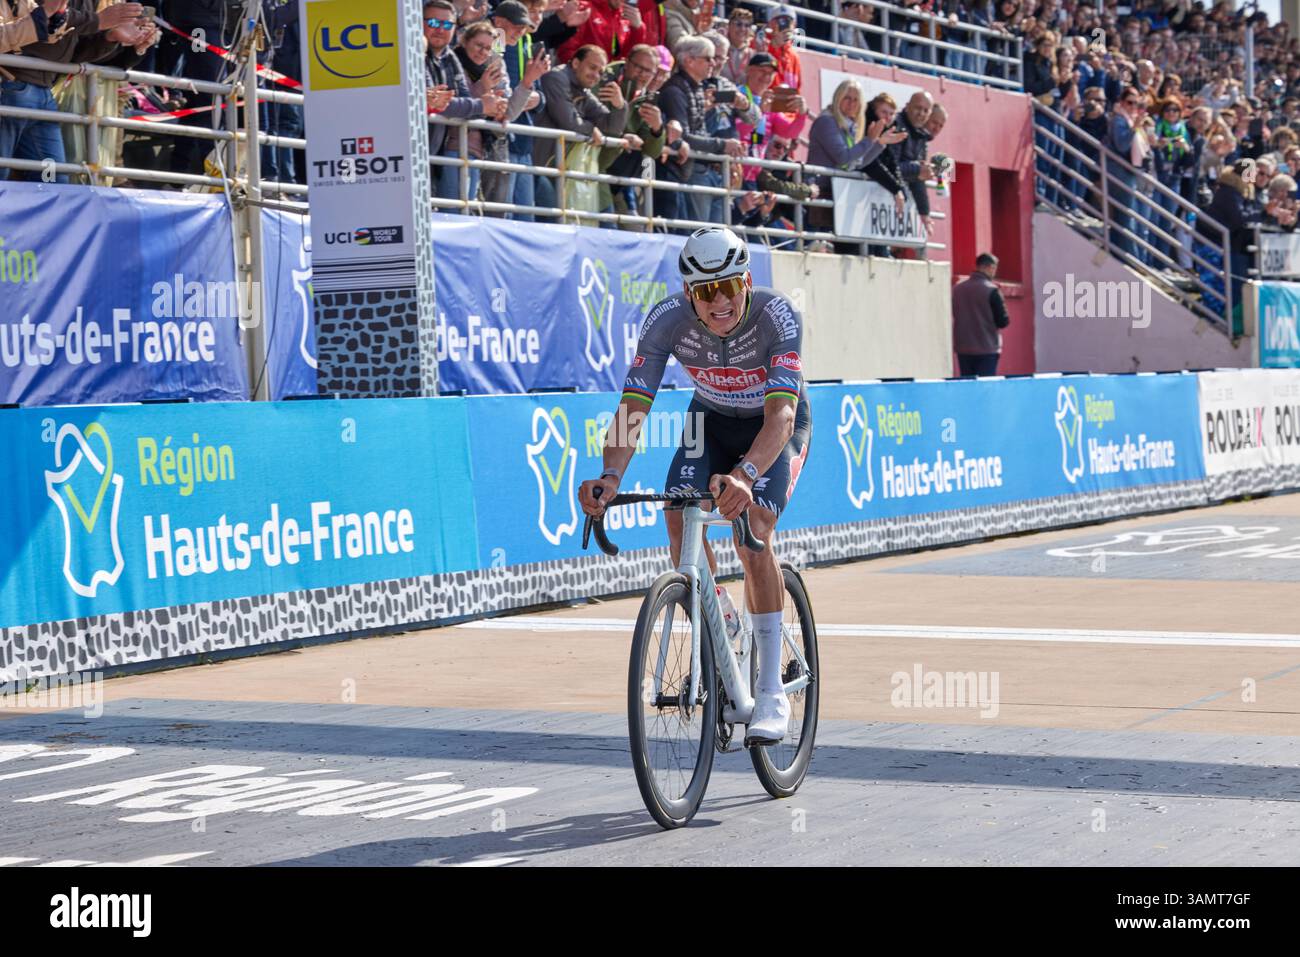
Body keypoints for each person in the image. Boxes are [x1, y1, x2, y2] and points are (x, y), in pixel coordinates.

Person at [578, 226, 812, 747]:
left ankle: (771, 690)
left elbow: (781, 417)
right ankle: (723, 615)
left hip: (773, 427)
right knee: (679, 515)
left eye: (729, 286)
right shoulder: (666, 321)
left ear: (746, 280)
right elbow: (632, 407)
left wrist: (747, 476)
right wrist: (611, 475)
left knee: (751, 533)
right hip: (709, 418)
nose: (719, 301)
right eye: (706, 292)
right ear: (689, 293)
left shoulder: (777, 315)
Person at [0, 0, 144, 183]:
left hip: (40, 93)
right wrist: (96, 21)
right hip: (11, 88)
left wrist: (111, 37)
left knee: (52, 181)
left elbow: (64, 50)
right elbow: (34, 42)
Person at [425, 0, 506, 205]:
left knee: (460, 212)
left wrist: (491, 106)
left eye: (447, 25)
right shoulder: (413, 54)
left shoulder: (448, 57)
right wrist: (482, 104)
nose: (440, 30)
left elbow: (461, 101)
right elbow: (442, 104)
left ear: (454, 29)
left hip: (437, 149)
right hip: (415, 151)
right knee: (450, 213)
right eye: (433, 22)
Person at [952, 253, 1010, 377]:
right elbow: (1003, 321)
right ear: (989, 267)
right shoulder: (992, 290)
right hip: (987, 348)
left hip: (963, 348)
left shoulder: (957, 289)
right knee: (986, 389)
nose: (994, 272)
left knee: (967, 387)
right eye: (994, 268)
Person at [555, 0, 647, 63]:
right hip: (578, 81)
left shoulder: (626, 18)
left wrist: (638, 30)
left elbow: (626, 60)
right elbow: (566, 52)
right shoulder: (584, 7)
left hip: (605, 82)